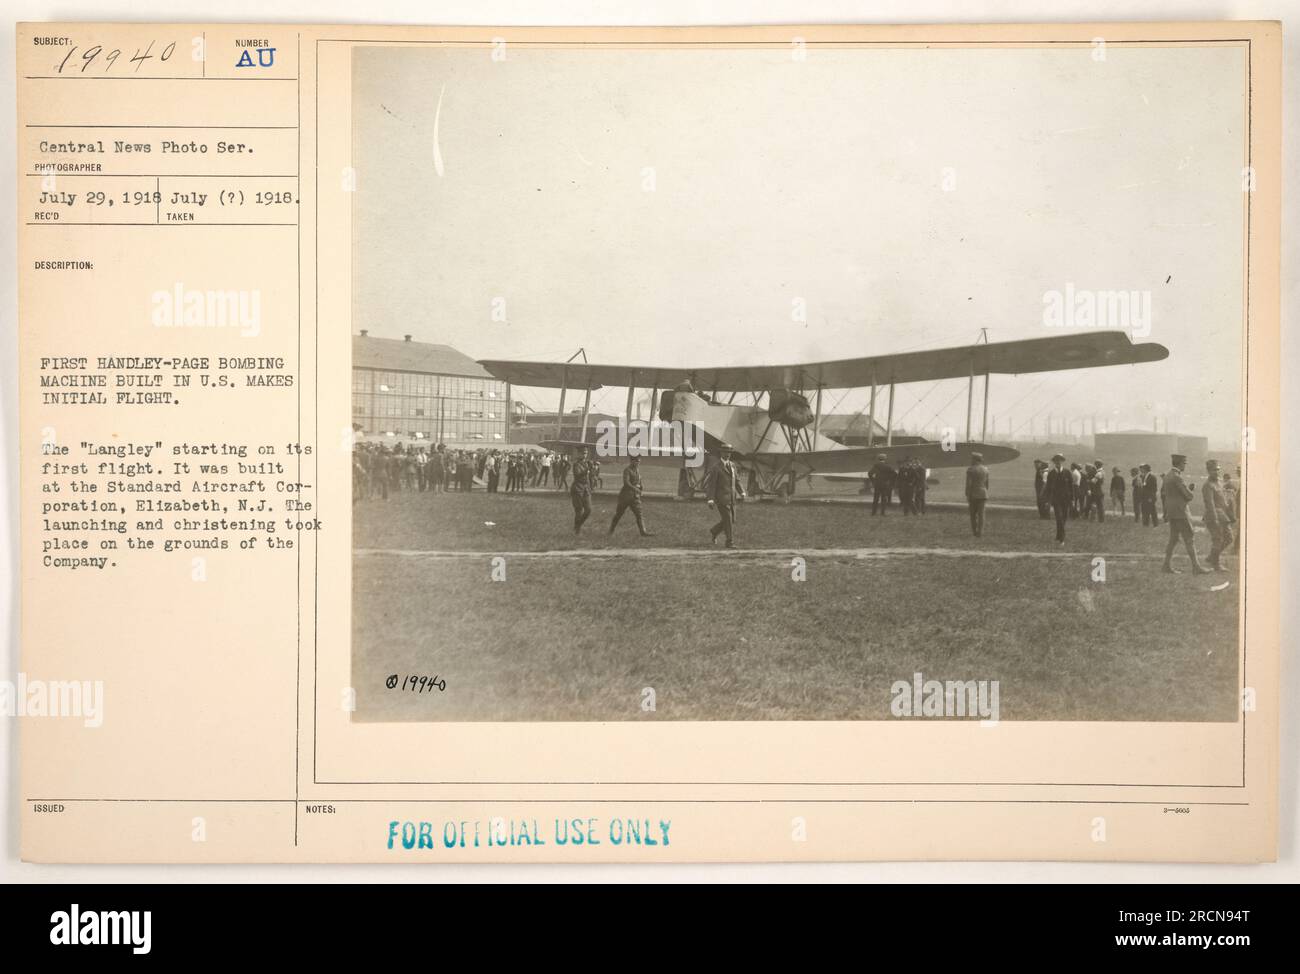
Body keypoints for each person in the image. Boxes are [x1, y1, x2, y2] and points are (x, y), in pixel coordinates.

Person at [1160, 453, 1209, 574]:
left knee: (1173, 539)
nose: (1185, 466)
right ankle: (1196, 567)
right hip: (1181, 512)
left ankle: (1166, 565)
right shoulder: (1177, 477)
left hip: (1172, 512)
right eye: (1184, 464)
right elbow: (1189, 496)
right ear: (1180, 463)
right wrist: (1191, 489)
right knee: (1189, 538)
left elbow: (1167, 495)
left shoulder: (1167, 476)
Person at [706, 443, 746, 548]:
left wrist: (741, 492)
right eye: (725, 452)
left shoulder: (733, 466)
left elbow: (737, 480)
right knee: (728, 519)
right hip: (721, 499)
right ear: (721, 453)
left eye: (729, 452)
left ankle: (714, 531)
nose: (728, 454)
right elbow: (712, 485)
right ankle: (729, 542)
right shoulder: (716, 468)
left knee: (732, 520)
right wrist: (710, 499)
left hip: (732, 498)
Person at [609, 455, 654, 537]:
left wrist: (641, 487)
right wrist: (635, 489)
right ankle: (611, 531)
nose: (638, 463)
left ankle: (643, 532)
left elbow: (639, 481)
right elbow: (626, 483)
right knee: (619, 514)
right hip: (625, 497)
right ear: (631, 461)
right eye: (636, 461)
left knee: (639, 514)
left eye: (639, 461)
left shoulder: (637, 470)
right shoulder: (627, 470)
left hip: (635, 497)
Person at [1201, 459, 1233, 571]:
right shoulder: (1207, 485)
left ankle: (1212, 557)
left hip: (1222, 515)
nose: (1217, 472)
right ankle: (1217, 564)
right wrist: (1215, 519)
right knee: (1218, 539)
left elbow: (1222, 499)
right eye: (1214, 470)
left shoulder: (1219, 483)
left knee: (1229, 538)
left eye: (1218, 469)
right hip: (1213, 516)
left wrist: (1228, 501)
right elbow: (1210, 504)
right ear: (1208, 471)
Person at [1045, 453, 1073, 545]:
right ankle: (1062, 539)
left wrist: (1072, 500)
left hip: (1066, 500)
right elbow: (1048, 488)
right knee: (1059, 518)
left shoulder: (1067, 473)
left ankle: (1058, 535)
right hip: (1056, 500)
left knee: (1063, 518)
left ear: (1062, 461)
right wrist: (1047, 501)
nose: (1058, 462)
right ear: (1054, 462)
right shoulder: (1051, 474)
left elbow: (1071, 487)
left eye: (1060, 460)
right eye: (1056, 460)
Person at [569, 448, 595, 535]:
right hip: (577, 488)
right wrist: (587, 469)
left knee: (588, 510)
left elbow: (591, 475)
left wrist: (593, 468)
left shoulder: (587, 463)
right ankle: (577, 531)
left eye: (586, 453)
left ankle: (577, 525)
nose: (585, 455)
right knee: (579, 510)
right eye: (583, 453)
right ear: (579, 454)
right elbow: (578, 474)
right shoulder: (576, 464)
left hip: (586, 489)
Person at [964, 451, 989, 537]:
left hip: (974, 494)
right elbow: (987, 484)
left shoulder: (971, 469)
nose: (971, 460)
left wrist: (967, 494)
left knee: (973, 515)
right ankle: (980, 532)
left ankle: (975, 532)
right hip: (983, 494)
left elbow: (968, 484)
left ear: (975, 460)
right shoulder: (986, 469)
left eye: (972, 459)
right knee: (982, 514)